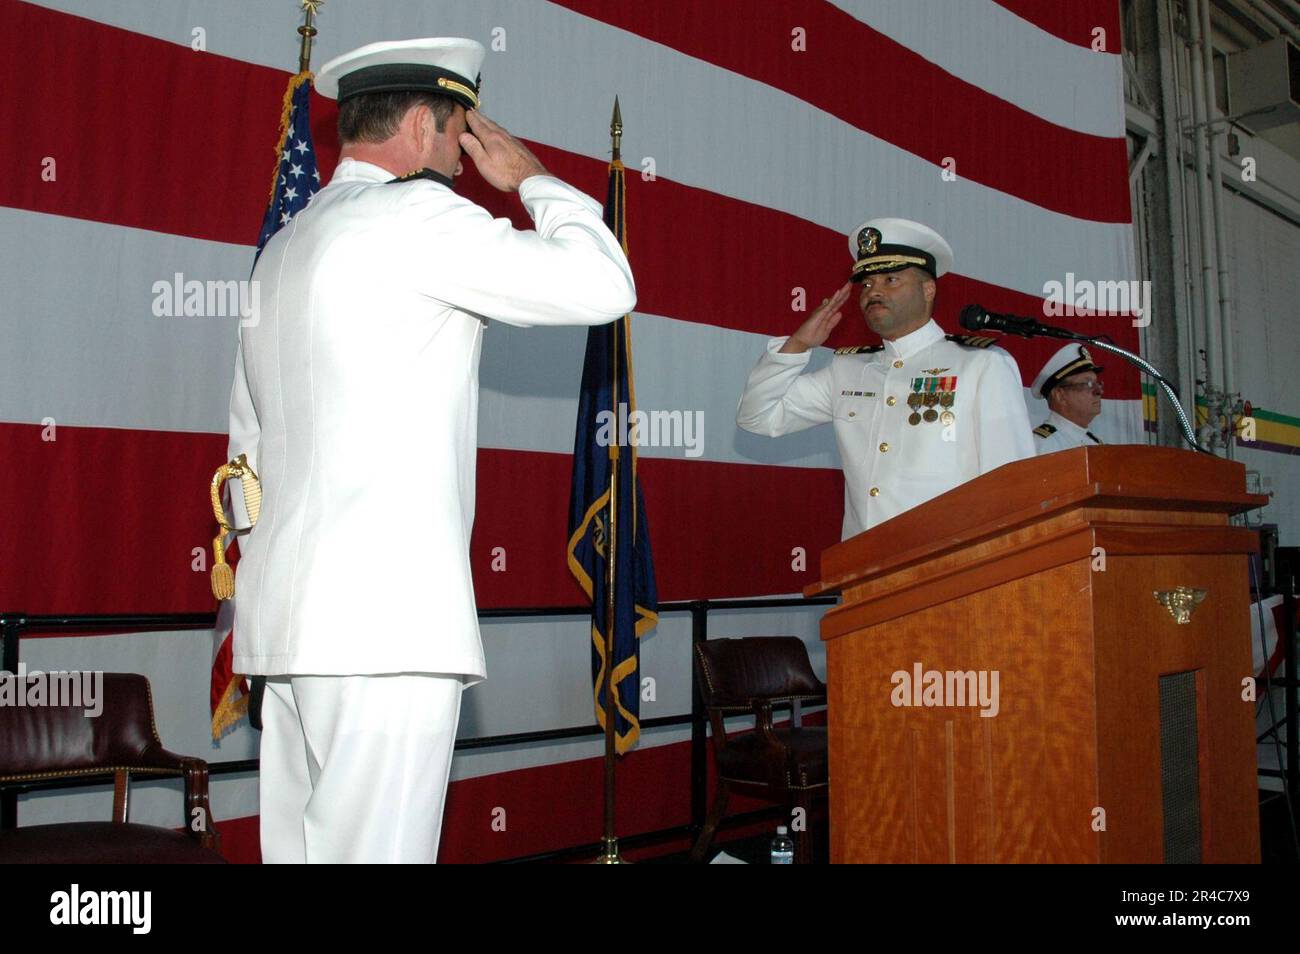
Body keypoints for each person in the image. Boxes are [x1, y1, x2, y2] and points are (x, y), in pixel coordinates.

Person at [224, 37, 635, 863]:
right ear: (421, 124)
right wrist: (532, 180)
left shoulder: (283, 249)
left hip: (286, 625)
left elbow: (246, 454)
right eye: (459, 138)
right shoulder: (419, 217)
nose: (464, 161)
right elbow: (605, 284)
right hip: (387, 629)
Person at [736, 217, 1034, 538]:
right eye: (866, 284)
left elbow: (1012, 487)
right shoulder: (847, 370)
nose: (874, 292)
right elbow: (757, 417)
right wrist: (798, 345)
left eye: (891, 280)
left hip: (948, 569)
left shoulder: (981, 364)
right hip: (863, 572)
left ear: (928, 288)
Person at [1030, 344, 1105, 453]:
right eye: (1087, 383)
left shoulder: (1096, 444)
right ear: (1060, 395)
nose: (1099, 391)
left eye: (1097, 383)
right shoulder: (1040, 446)